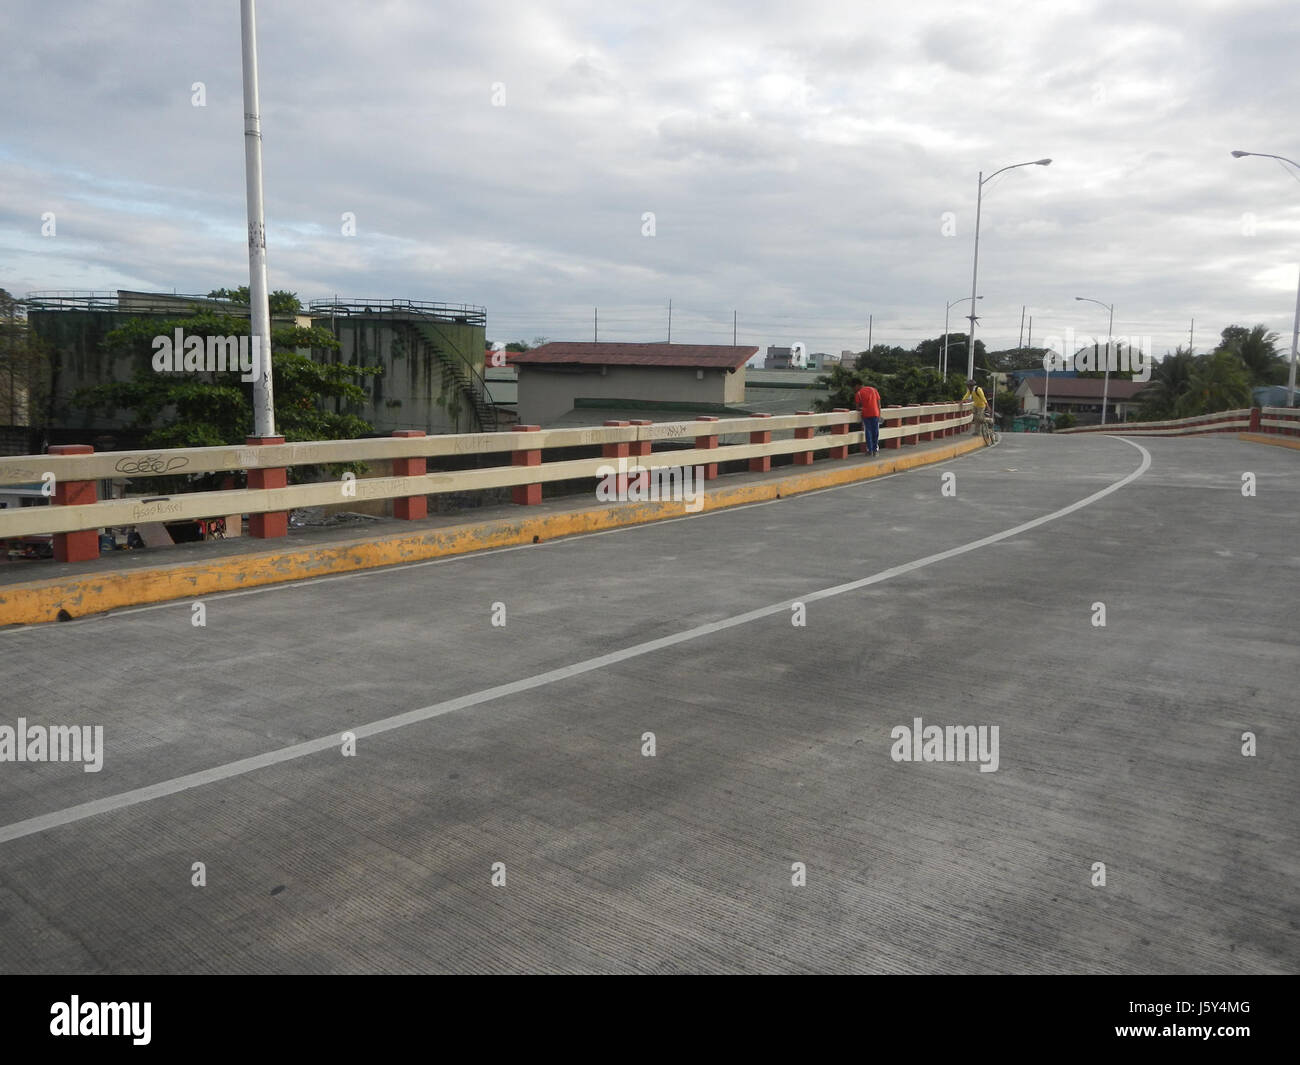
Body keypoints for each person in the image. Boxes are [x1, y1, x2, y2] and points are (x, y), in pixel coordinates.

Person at [853, 380, 882, 455]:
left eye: (854, 387)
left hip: (866, 415)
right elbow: (879, 403)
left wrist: (862, 408)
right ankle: (875, 449)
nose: (854, 389)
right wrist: (879, 414)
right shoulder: (873, 389)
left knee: (868, 432)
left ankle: (870, 450)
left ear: (857, 385)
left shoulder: (858, 393)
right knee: (875, 431)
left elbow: (857, 407)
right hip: (875, 413)